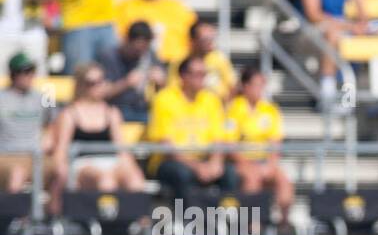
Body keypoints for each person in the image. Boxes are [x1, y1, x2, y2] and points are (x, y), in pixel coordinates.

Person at [49, 61, 145, 215]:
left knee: (135, 180)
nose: (98, 86)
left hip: (110, 162)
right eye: (92, 83)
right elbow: (61, 150)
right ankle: (109, 226)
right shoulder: (69, 114)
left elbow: (122, 149)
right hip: (82, 163)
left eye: (101, 81)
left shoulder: (111, 112)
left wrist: (131, 168)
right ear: (81, 85)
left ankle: (138, 224)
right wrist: (61, 172)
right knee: (105, 180)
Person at [146, 53, 236, 200]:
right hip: (170, 161)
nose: (203, 78)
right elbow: (166, 146)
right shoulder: (164, 99)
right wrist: (196, 166)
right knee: (183, 174)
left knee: (229, 172)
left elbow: (219, 138)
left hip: (203, 160)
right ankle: (190, 220)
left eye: (204, 74)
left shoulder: (211, 99)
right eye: (198, 74)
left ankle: (228, 219)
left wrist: (216, 162)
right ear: (183, 76)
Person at [301, 0, 368, 106]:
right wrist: (348, 26)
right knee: (333, 35)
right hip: (313, 28)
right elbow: (313, 14)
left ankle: (354, 102)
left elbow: (361, 4)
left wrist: (362, 24)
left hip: (341, 25)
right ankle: (327, 91)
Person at [225, 66, 294, 215]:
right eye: (257, 85)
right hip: (241, 161)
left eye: (262, 85)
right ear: (245, 86)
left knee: (284, 182)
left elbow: (275, 142)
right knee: (252, 179)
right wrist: (249, 164)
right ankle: (252, 226)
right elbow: (230, 145)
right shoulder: (234, 109)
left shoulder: (270, 109)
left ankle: (284, 227)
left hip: (264, 160)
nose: (261, 89)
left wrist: (271, 165)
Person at [0, 52, 51, 193]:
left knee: (61, 170)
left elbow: (53, 124)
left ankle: (55, 213)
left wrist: (48, 138)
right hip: (7, 155)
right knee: (17, 173)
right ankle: (14, 214)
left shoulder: (43, 97)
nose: (30, 75)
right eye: (26, 71)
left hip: (35, 155)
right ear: (13, 74)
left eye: (32, 71)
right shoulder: (2, 98)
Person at [97, 22, 165, 125]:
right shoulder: (109, 57)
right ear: (127, 41)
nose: (140, 53)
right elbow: (100, 93)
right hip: (116, 109)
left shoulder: (149, 54)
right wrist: (126, 83)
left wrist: (161, 83)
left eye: (144, 49)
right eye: (137, 49)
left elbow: (164, 91)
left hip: (143, 109)